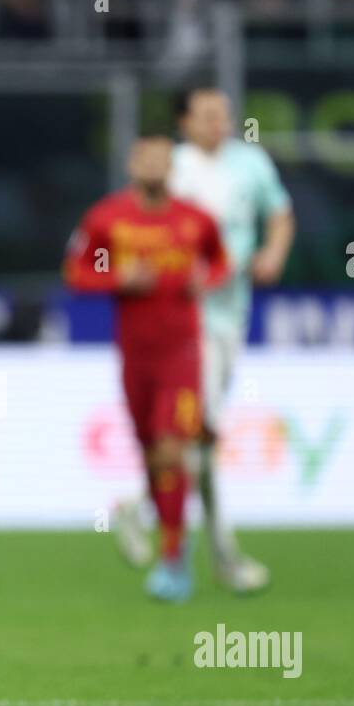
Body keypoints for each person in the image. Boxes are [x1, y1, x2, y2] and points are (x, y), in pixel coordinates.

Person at [112, 86, 294, 595]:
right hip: (184, 322)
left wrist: (273, 253)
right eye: (208, 115)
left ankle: (210, 551)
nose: (219, 122)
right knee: (196, 434)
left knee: (203, 444)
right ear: (185, 121)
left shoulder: (251, 163)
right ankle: (145, 509)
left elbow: (279, 213)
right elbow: (138, 224)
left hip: (231, 316)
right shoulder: (177, 168)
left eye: (225, 114)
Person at [64, 137, 228, 602]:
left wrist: (207, 280)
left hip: (182, 354)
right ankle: (174, 539)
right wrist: (118, 278)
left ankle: (173, 559)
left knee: (171, 449)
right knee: (151, 456)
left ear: (170, 166)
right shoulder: (106, 218)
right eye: (145, 157)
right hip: (135, 356)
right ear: (132, 164)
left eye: (162, 158)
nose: (154, 165)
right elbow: (76, 272)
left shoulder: (195, 220)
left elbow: (220, 262)